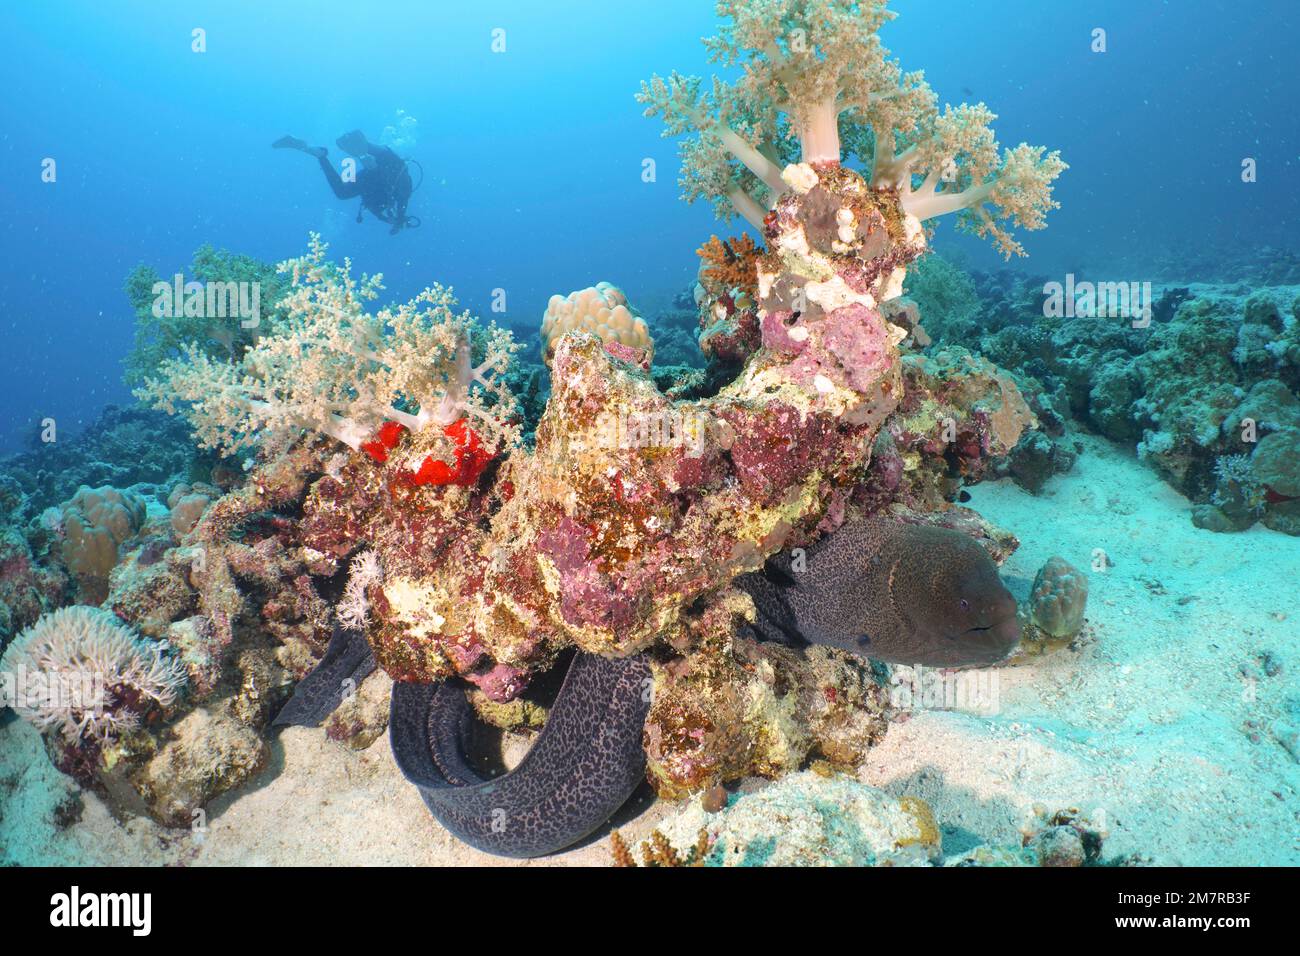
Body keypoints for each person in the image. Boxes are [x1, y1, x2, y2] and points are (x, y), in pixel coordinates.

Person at [273, 129, 417, 234]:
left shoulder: (385, 200)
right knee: (344, 191)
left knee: (342, 192)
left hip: (377, 174)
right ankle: (333, 152)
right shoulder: (400, 191)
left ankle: (318, 154)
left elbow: (377, 206)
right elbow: (402, 200)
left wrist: (390, 220)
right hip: (386, 169)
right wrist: (397, 220)